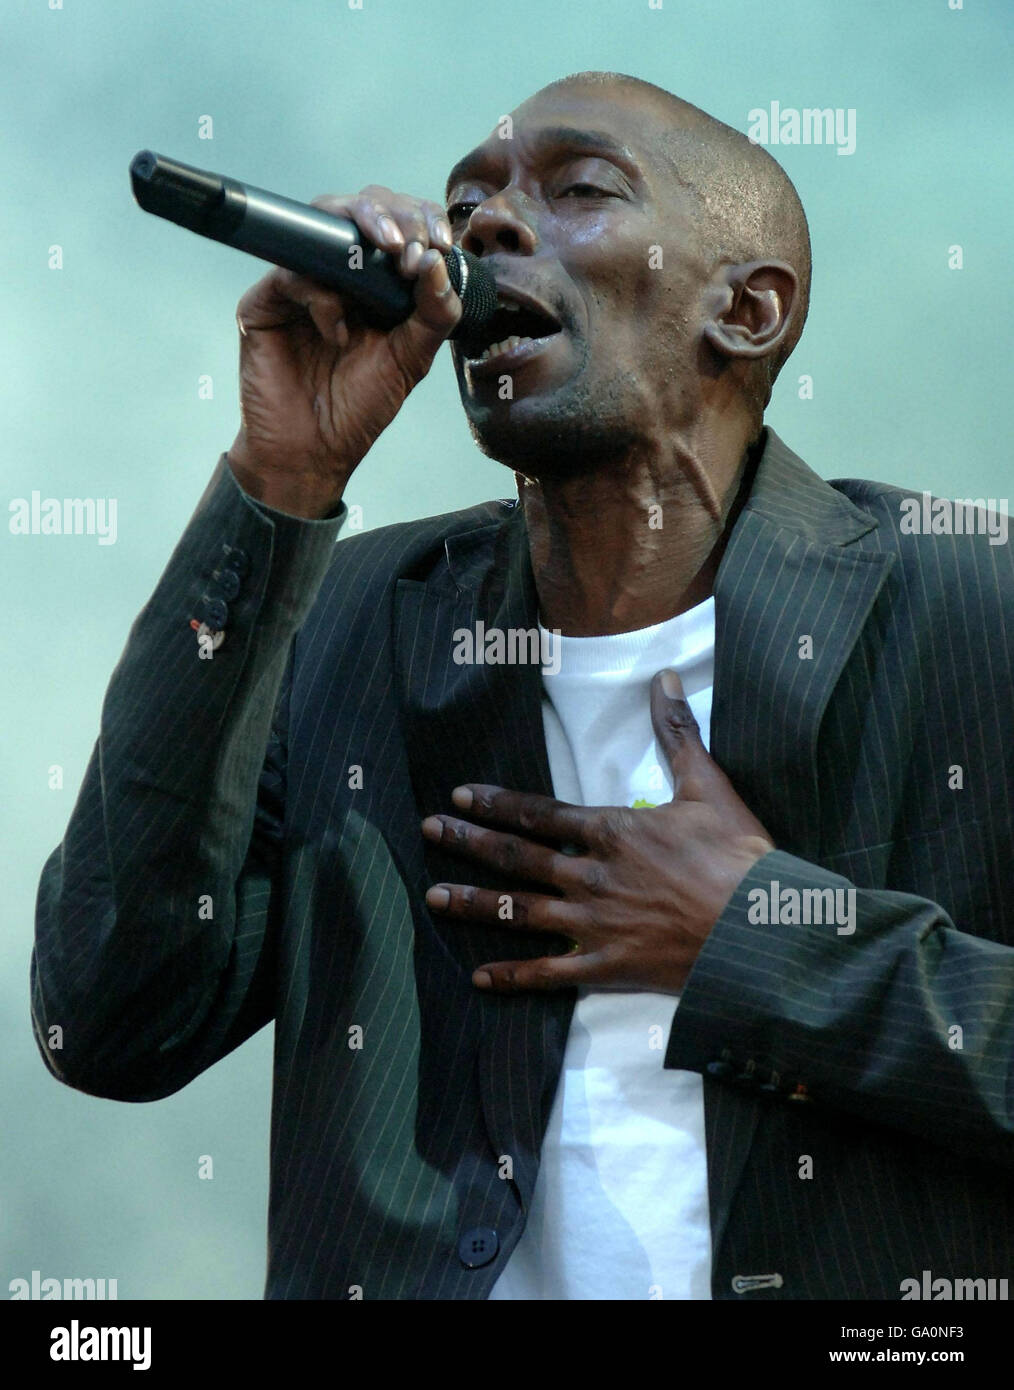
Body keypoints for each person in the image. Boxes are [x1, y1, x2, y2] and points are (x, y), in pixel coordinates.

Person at [31, 71, 1014, 1301]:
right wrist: (278, 479)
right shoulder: (350, 623)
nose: (486, 227)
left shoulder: (974, 602)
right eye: (468, 203)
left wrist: (769, 944)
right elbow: (108, 1022)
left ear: (750, 309)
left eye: (578, 190)